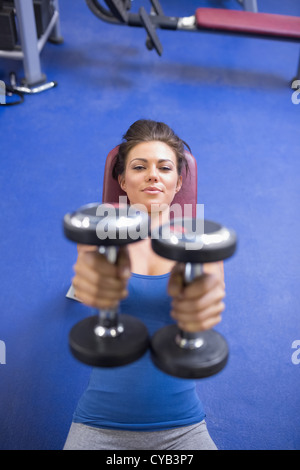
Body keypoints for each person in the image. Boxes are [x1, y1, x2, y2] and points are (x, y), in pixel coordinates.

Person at [63, 119, 225, 450]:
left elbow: (211, 299)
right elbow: (89, 275)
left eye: (164, 168)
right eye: (140, 167)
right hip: (99, 424)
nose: (153, 175)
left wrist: (202, 297)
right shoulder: (100, 238)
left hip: (183, 427)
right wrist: (89, 277)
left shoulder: (202, 244)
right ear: (122, 180)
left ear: (178, 182)